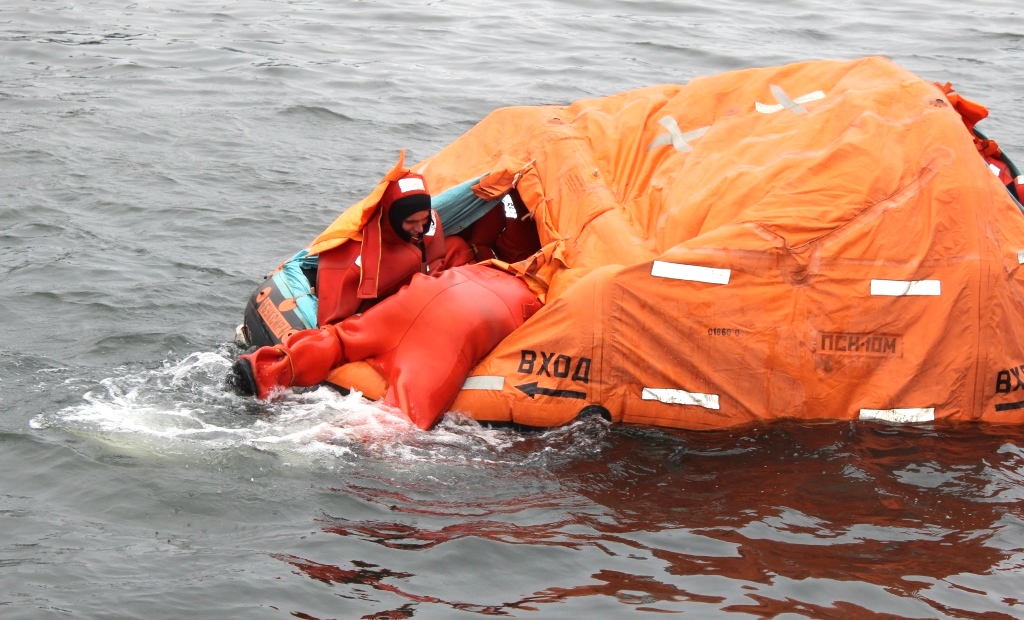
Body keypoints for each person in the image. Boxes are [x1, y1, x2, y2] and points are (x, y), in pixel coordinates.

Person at [314, 170, 471, 326]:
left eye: (424, 219)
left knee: (458, 246)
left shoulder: (430, 222)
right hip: (382, 315)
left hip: (424, 289)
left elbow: (437, 259)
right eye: (411, 222)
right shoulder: (347, 255)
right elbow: (331, 324)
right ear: (392, 218)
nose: (420, 228)